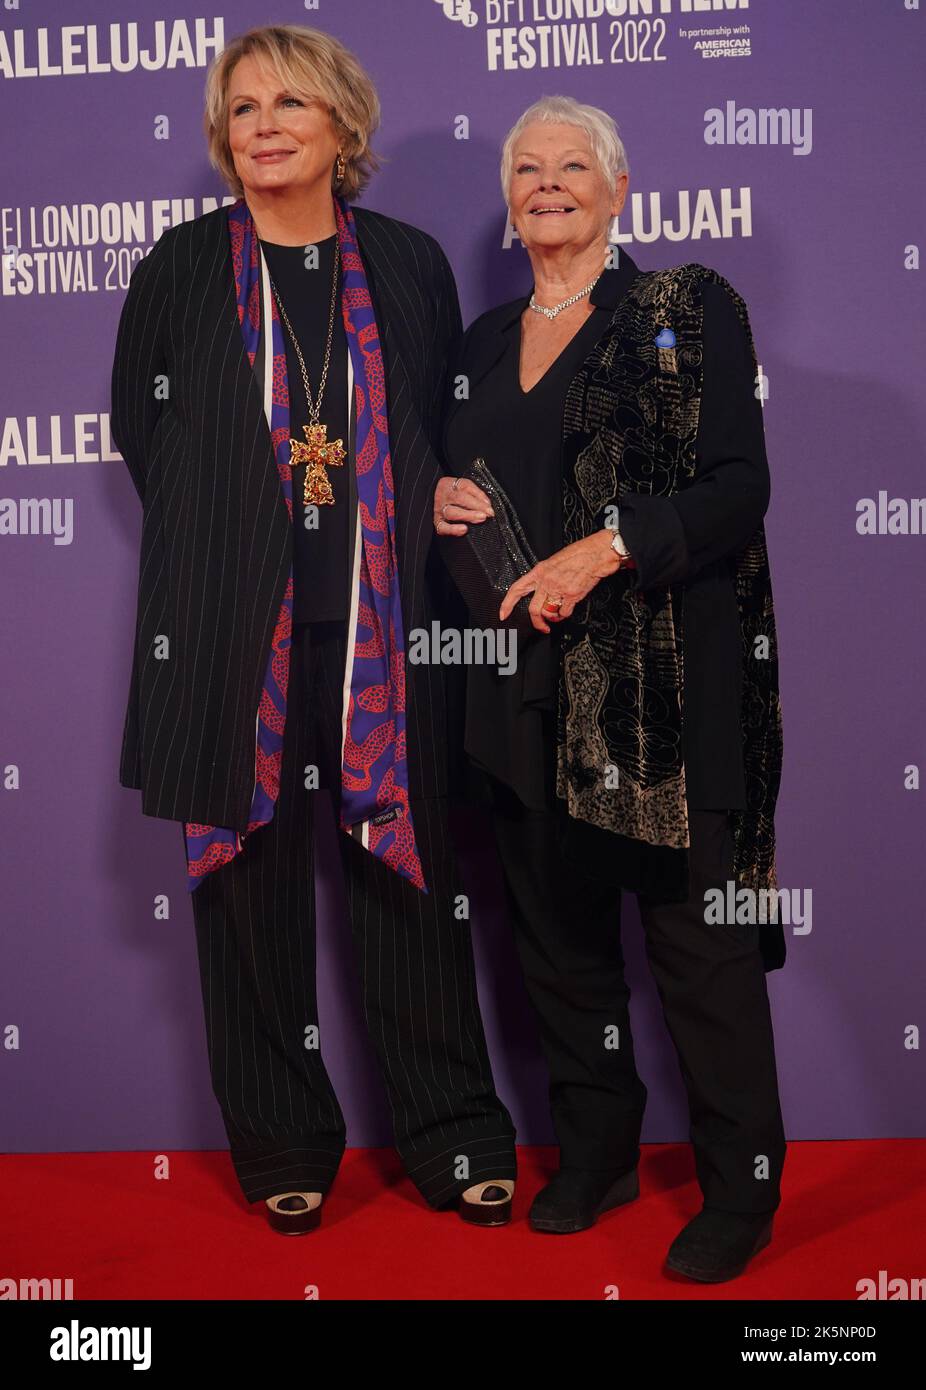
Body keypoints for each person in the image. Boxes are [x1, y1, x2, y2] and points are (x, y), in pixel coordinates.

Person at [111, 23, 516, 1235]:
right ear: (222, 135)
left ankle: (453, 1132)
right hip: (234, 640)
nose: (265, 125)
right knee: (250, 896)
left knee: (411, 894)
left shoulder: (403, 263)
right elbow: (148, 434)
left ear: (341, 125)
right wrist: (243, 545)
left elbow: (440, 432)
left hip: (382, 642)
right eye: (242, 109)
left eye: (290, 102)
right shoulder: (180, 268)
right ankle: (284, 1141)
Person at [435, 95, 786, 1281]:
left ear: (617, 188)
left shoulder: (681, 309)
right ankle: (595, 1151)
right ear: (508, 195)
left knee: (697, 952)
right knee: (558, 946)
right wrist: (449, 517)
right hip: (519, 688)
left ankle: (741, 1188)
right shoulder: (479, 344)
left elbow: (738, 488)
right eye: (525, 168)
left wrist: (610, 546)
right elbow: (474, 516)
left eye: (570, 166)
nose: (546, 184)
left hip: (655, 696)